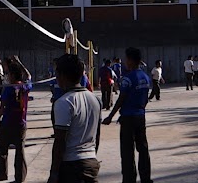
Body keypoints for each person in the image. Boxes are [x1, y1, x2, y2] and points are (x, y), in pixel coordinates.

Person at [103, 48, 153, 183]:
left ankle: (129, 179)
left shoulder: (128, 79)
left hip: (128, 118)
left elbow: (121, 99)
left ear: (130, 60)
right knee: (143, 148)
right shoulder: (145, 77)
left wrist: (110, 116)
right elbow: (145, 98)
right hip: (140, 116)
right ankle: (146, 178)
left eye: (126, 59)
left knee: (127, 151)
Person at [51, 54, 101, 183]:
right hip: (91, 162)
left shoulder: (64, 102)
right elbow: (97, 134)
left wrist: (54, 173)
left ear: (62, 75)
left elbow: (60, 141)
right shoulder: (95, 99)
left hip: (72, 166)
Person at [0, 59, 31, 183]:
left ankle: (1, 173)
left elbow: (3, 105)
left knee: (2, 149)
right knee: (20, 151)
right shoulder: (25, 86)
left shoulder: (9, 88)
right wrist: (20, 63)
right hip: (21, 123)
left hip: (8, 123)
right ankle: (20, 177)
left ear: (12, 75)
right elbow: (29, 75)